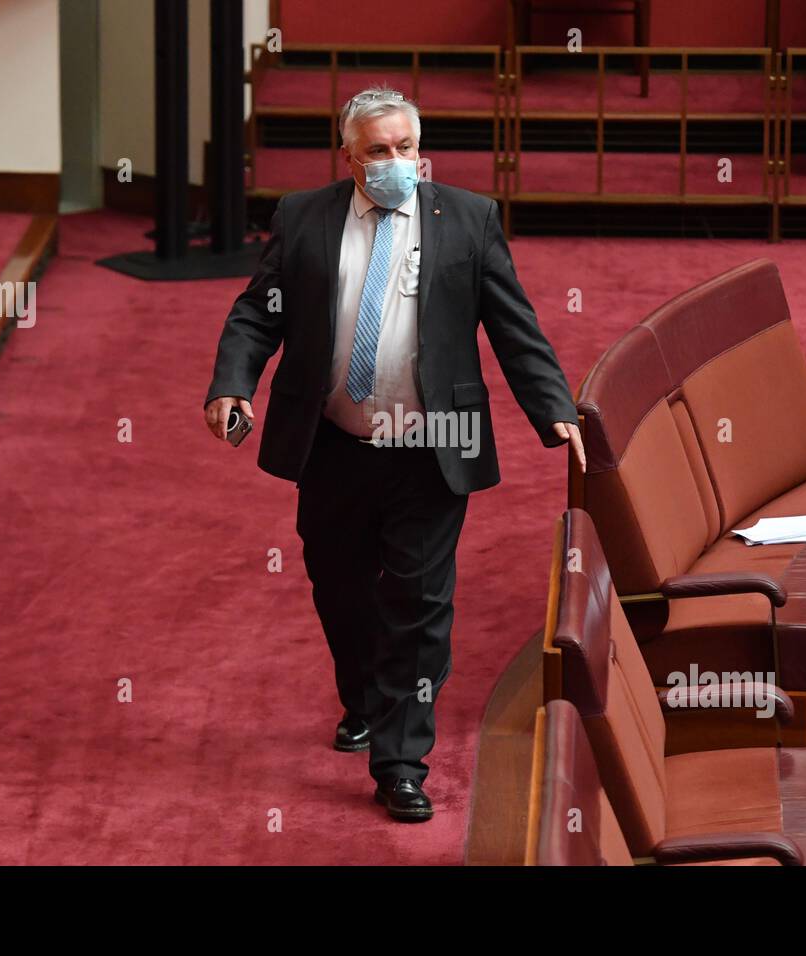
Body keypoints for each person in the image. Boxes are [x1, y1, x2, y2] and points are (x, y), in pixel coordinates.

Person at [204, 86, 584, 822]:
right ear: (347, 157)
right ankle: (367, 699)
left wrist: (554, 408)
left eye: (406, 147)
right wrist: (233, 382)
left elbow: (513, 324)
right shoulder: (302, 217)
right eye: (378, 151)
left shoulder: (468, 219)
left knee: (418, 599)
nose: (395, 162)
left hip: (431, 443)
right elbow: (260, 310)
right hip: (334, 442)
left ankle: (401, 762)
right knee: (339, 586)